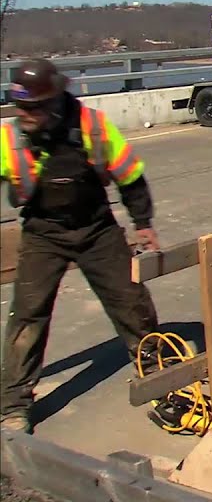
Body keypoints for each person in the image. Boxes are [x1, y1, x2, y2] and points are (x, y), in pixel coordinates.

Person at [0, 59, 162, 433]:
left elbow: (131, 176)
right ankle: (14, 404)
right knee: (27, 316)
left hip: (96, 230)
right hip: (43, 233)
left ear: (54, 102)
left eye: (32, 108)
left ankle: (156, 375)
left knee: (131, 301)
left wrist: (143, 223)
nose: (23, 115)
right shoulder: (11, 138)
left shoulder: (92, 127)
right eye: (19, 107)